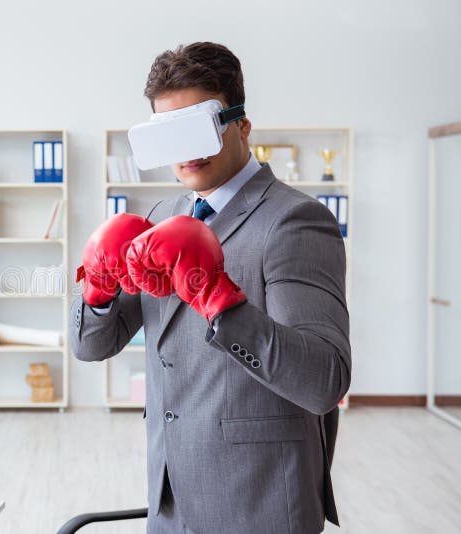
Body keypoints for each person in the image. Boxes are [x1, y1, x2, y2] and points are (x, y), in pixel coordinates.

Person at [71, 42, 350, 534]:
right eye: (169, 134)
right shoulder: (160, 219)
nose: (187, 151)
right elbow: (91, 346)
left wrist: (221, 302)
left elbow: (323, 381)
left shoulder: (296, 221)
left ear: (241, 125)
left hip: (259, 502)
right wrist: (97, 288)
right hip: (171, 496)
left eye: (197, 129)